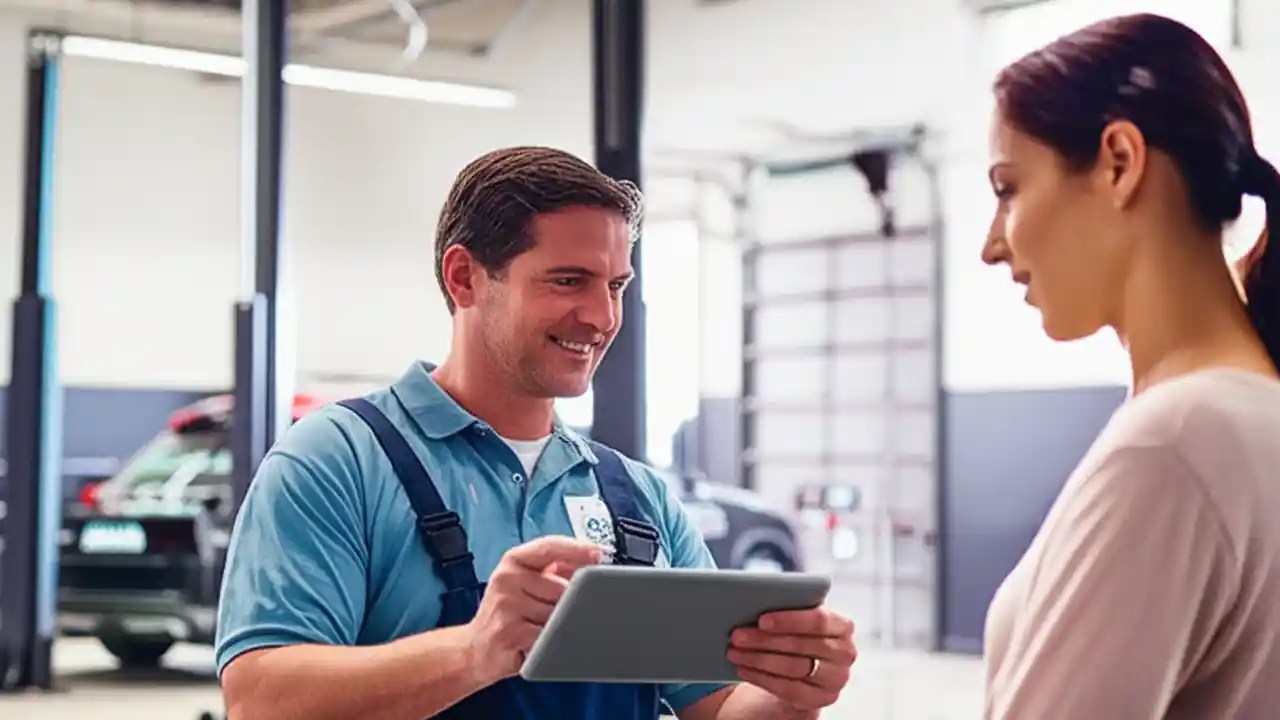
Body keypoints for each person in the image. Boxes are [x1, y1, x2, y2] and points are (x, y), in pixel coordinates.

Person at [214, 146, 857, 720]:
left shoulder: (637, 498)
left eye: (616, 286)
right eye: (568, 280)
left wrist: (789, 692)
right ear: (464, 277)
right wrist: (474, 650)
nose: (602, 317)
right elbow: (258, 700)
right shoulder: (335, 462)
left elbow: (716, 709)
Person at [980, 13, 1280, 720]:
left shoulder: (1173, 444)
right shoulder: (1252, 415)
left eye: (1008, 188)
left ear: (1119, 160)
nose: (992, 245)